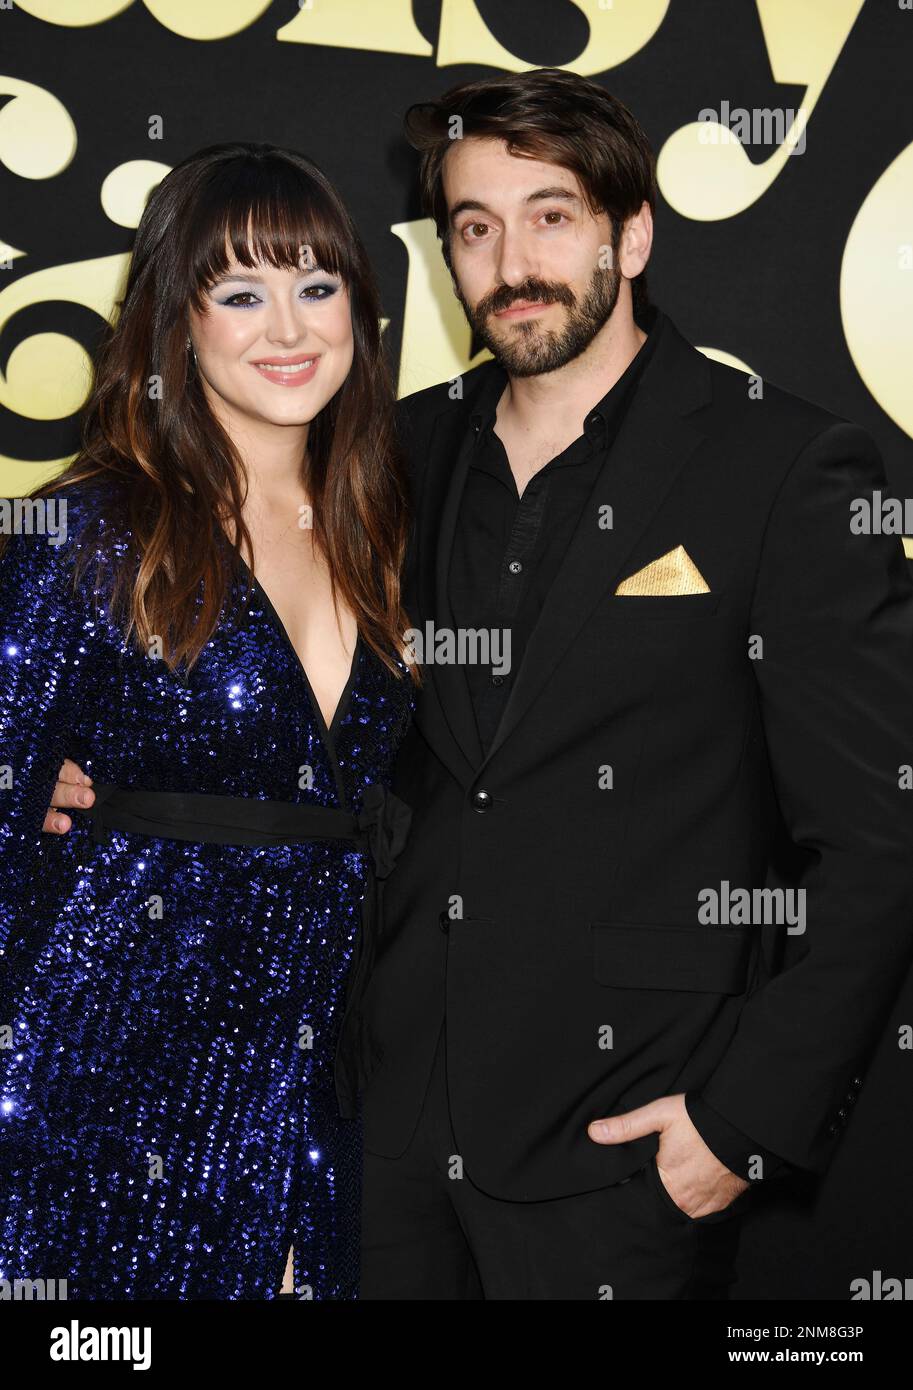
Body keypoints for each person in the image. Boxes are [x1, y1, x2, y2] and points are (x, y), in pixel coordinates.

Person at [43, 71, 913, 1301]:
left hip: (616, 1152)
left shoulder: (780, 466)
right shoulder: (388, 454)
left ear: (632, 233)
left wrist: (740, 1125)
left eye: (551, 215)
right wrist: (83, 778)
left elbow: (880, 837)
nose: (512, 260)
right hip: (370, 1135)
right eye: (473, 224)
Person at [0, 141, 415, 1300]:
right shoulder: (85, 537)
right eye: (241, 291)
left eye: (317, 285)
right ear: (178, 322)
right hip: (93, 1100)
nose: (289, 325)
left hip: (309, 1102)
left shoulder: (389, 529)